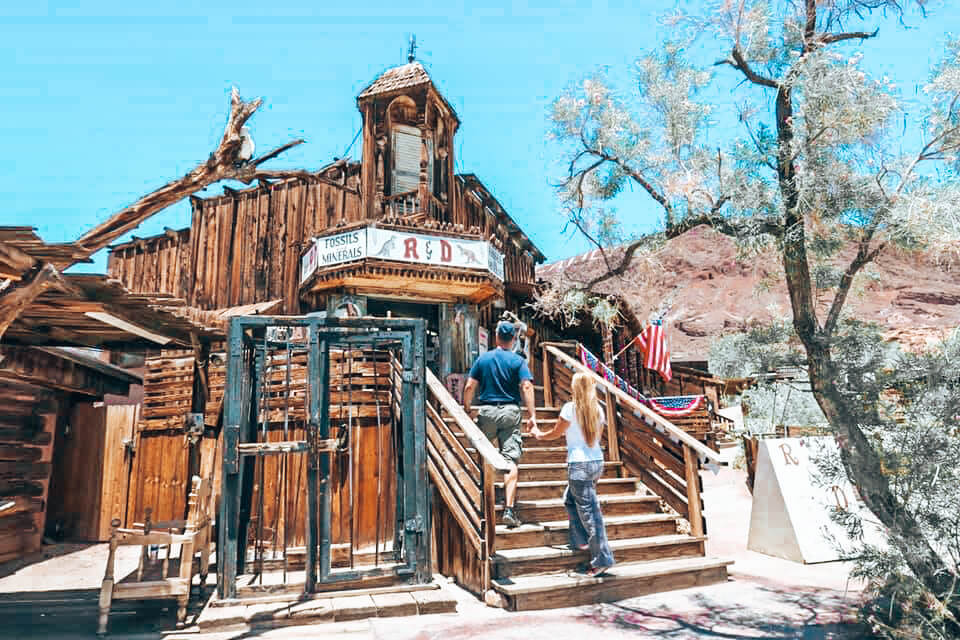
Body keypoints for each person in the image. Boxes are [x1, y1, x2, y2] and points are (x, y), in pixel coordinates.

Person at [533, 372, 615, 576]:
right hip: (596, 462)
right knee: (570, 499)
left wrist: (539, 436)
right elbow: (597, 438)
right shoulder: (598, 410)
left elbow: (555, 432)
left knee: (591, 514)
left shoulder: (570, 409)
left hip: (578, 464)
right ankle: (581, 540)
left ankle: (602, 559)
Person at [462, 320, 536, 528]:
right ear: (513, 340)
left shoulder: (483, 359)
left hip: (486, 411)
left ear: (496, 337)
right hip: (511, 412)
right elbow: (527, 386)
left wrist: (467, 407)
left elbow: (469, 386)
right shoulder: (518, 361)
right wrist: (532, 415)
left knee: (484, 456)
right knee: (511, 459)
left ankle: (482, 505)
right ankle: (509, 510)